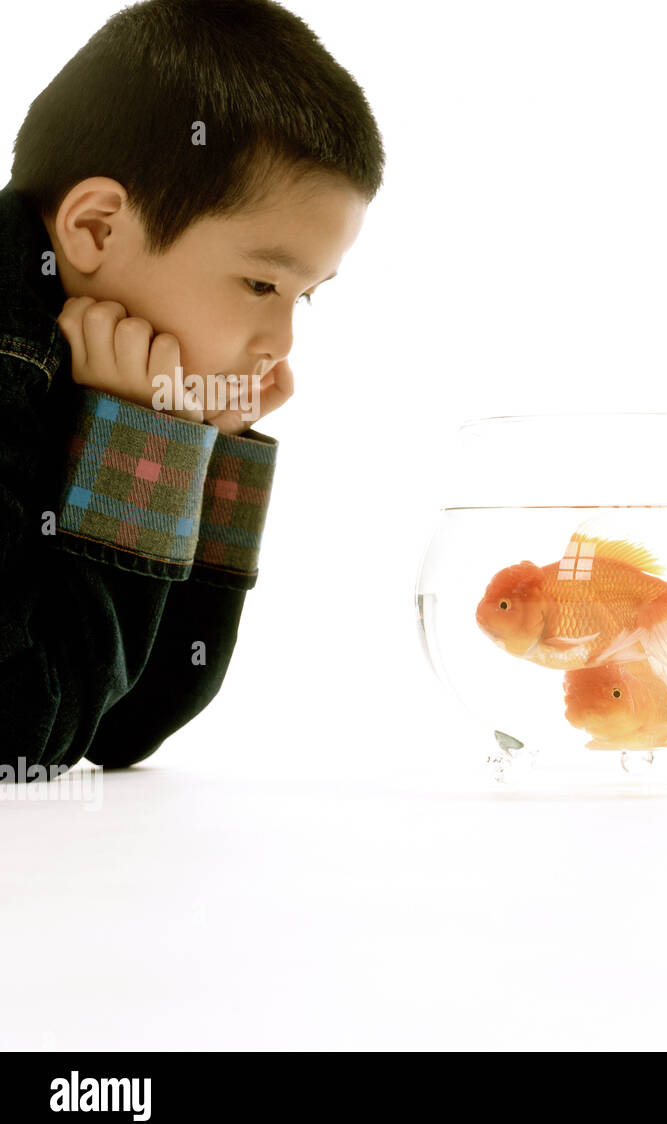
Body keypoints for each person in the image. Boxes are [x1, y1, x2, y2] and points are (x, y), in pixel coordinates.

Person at [0, 0, 384, 778]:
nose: (280, 343)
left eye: (303, 297)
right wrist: (142, 435)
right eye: (259, 282)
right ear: (98, 227)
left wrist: (203, 443)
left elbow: (132, 720)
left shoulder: (95, 349)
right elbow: (20, 733)